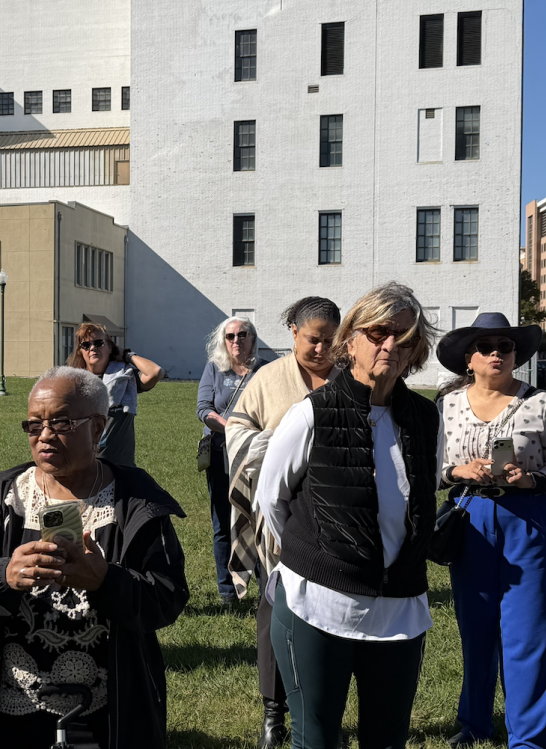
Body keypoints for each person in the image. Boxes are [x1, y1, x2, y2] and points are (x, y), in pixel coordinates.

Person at [0, 366, 189, 749]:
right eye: (34, 425)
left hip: (108, 714)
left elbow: (167, 600)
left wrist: (106, 580)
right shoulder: (4, 498)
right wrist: (4, 576)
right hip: (10, 708)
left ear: (98, 427)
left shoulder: (136, 502)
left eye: (61, 423)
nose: (44, 436)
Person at [257, 282, 441, 749]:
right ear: (351, 340)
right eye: (378, 332)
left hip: (399, 609)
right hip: (318, 606)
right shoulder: (312, 414)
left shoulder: (425, 418)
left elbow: (422, 495)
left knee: (387, 738)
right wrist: (321, 557)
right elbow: (270, 499)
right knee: (315, 739)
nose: (390, 345)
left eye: (404, 335)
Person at [435, 313, 546, 749]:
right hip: (470, 518)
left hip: (527, 519)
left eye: (506, 346)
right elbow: (431, 469)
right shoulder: (447, 405)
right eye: (486, 346)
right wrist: (459, 469)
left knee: (529, 631)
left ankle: (529, 739)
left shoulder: (543, 403)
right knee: (476, 627)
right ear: (469, 358)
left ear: (516, 355)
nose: (496, 353)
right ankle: (475, 722)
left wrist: (530, 480)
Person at [225, 296, 341, 748]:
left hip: (339, 516)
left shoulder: (351, 379)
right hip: (282, 515)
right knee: (278, 608)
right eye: (314, 339)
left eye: (330, 341)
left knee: (332, 612)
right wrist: (284, 443)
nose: (321, 350)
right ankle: (274, 711)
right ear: (293, 331)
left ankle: (321, 708)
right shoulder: (266, 381)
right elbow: (236, 436)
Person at [195, 316, 266, 610]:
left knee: (260, 521)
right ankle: (227, 592)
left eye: (242, 335)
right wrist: (232, 428)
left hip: (254, 456)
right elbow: (203, 409)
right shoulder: (215, 368)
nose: (236, 341)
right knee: (223, 523)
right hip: (220, 452)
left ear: (253, 338)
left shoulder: (264, 370)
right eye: (230, 336)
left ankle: (266, 588)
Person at [65, 322, 163, 467]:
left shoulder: (124, 377)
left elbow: (155, 372)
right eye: (86, 345)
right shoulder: (73, 383)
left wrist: (127, 355)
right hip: (86, 467)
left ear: (110, 347)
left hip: (122, 468)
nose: (92, 348)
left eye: (98, 343)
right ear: (81, 351)